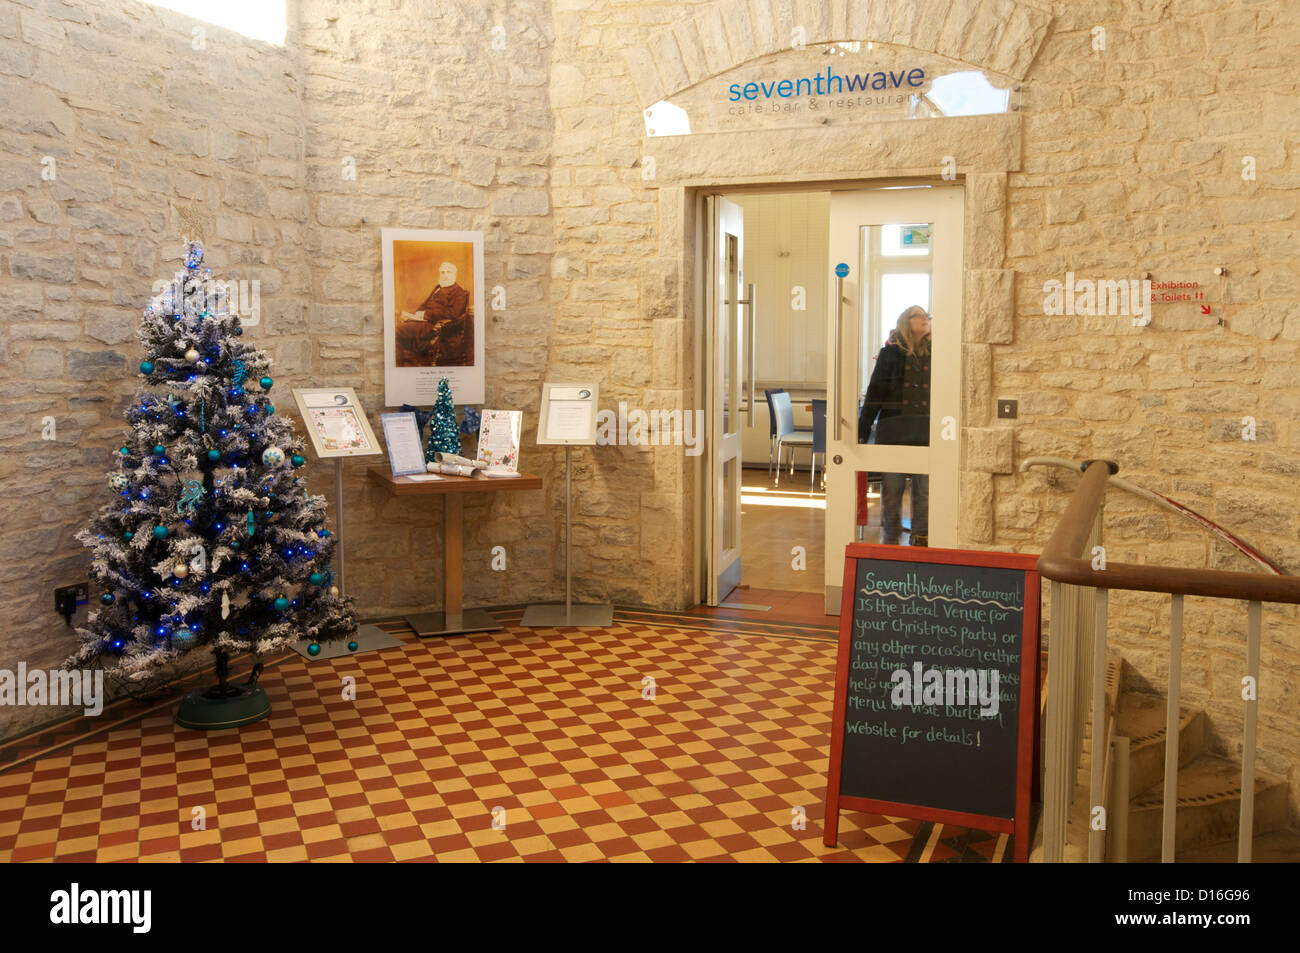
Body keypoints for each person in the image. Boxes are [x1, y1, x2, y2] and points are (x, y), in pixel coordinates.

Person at [858, 305, 931, 546]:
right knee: (892, 488)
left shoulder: (937, 353)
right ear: (905, 322)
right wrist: (863, 429)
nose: (924, 319)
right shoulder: (889, 354)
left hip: (927, 431)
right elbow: (875, 392)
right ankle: (891, 536)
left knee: (924, 489)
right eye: (918, 315)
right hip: (893, 430)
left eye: (926, 316)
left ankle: (921, 535)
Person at [396, 261, 472, 366]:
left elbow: (453, 314)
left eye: (448, 272)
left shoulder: (459, 293)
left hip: (434, 326)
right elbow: (425, 303)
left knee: (397, 330)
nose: (445, 275)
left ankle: (402, 361)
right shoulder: (438, 287)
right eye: (442, 272)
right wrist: (414, 315)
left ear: (454, 274)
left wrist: (425, 315)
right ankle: (402, 361)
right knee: (399, 326)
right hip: (423, 320)